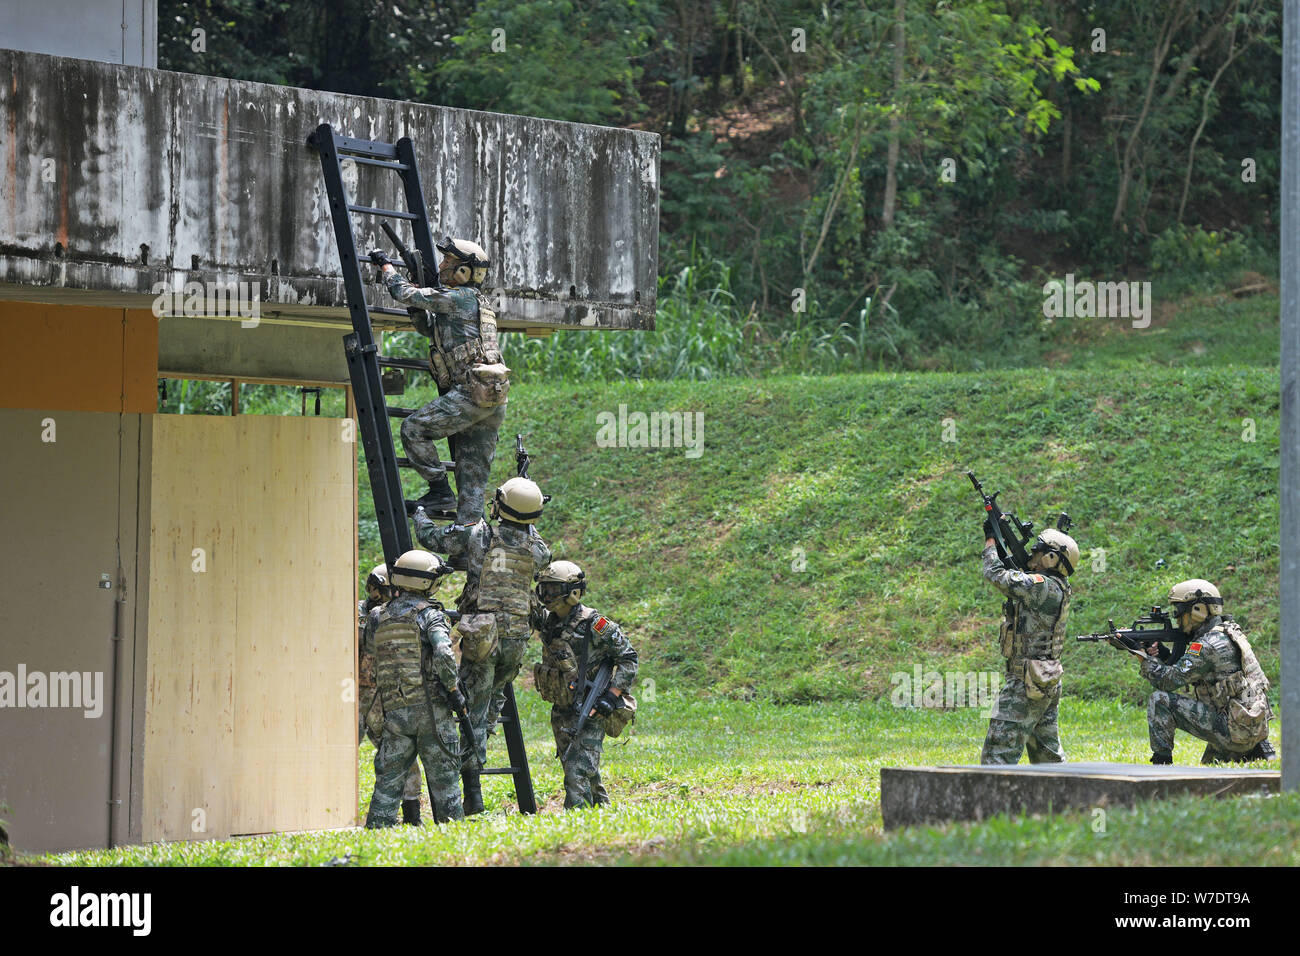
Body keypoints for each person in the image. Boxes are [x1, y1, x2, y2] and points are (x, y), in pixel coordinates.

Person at [413, 477, 552, 815]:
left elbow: (431, 538)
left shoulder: (480, 535)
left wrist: (420, 514)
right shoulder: (537, 548)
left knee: (471, 712)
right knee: (490, 707)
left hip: (482, 637)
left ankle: (472, 795)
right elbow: (541, 551)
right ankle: (474, 786)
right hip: (516, 638)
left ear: (499, 507)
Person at [369, 238, 508, 525]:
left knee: (413, 428)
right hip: (492, 398)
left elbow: (404, 293)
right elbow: (428, 329)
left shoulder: (461, 298)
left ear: (464, 273)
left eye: (448, 263)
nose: (442, 266)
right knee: (471, 483)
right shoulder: (476, 304)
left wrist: (386, 267)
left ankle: (439, 489)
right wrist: (419, 304)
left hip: (471, 393)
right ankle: (469, 548)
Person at [362, 549, 466, 827]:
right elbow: (444, 654)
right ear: (426, 583)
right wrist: (453, 690)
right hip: (431, 711)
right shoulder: (431, 616)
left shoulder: (376, 616)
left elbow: (372, 652)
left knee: (387, 783)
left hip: (395, 711)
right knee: (445, 781)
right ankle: (453, 837)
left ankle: (376, 835)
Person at [1129, 579, 1275, 765]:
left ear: (1198, 611)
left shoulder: (1206, 646)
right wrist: (1163, 654)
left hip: (1234, 731)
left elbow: (1167, 682)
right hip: (1250, 727)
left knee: (1160, 700)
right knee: (1209, 768)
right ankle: (1251, 749)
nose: (1177, 619)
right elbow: (1188, 668)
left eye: (1180, 612)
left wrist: (1143, 658)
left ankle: (1161, 763)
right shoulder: (1227, 632)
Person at [532, 561, 638, 809]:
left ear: (573, 592)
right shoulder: (549, 622)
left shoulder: (595, 624)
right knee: (580, 767)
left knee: (577, 770)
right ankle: (601, 812)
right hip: (562, 709)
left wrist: (611, 697)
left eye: (553, 590)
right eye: (543, 590)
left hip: (592, 709)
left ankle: (576, 820)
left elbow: (629, 658)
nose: (546, 596)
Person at [979, 527, 1079, 765]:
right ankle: (1065, 800)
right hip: (1043, 678)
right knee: (1048, 757)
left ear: (1051, 558)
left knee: (998, 755)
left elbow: (995, 574)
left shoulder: (1041, 586)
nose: (1032, 554)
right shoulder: (1056, 586)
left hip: (1025, 682)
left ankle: (994, 802)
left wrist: (991, 543)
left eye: (1038, 550)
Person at [357, 564, 424, 824]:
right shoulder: (356, 614)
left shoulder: (398, 615)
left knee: (401, 751)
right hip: (351, 694)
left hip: (386, 694)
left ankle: (411, 815)